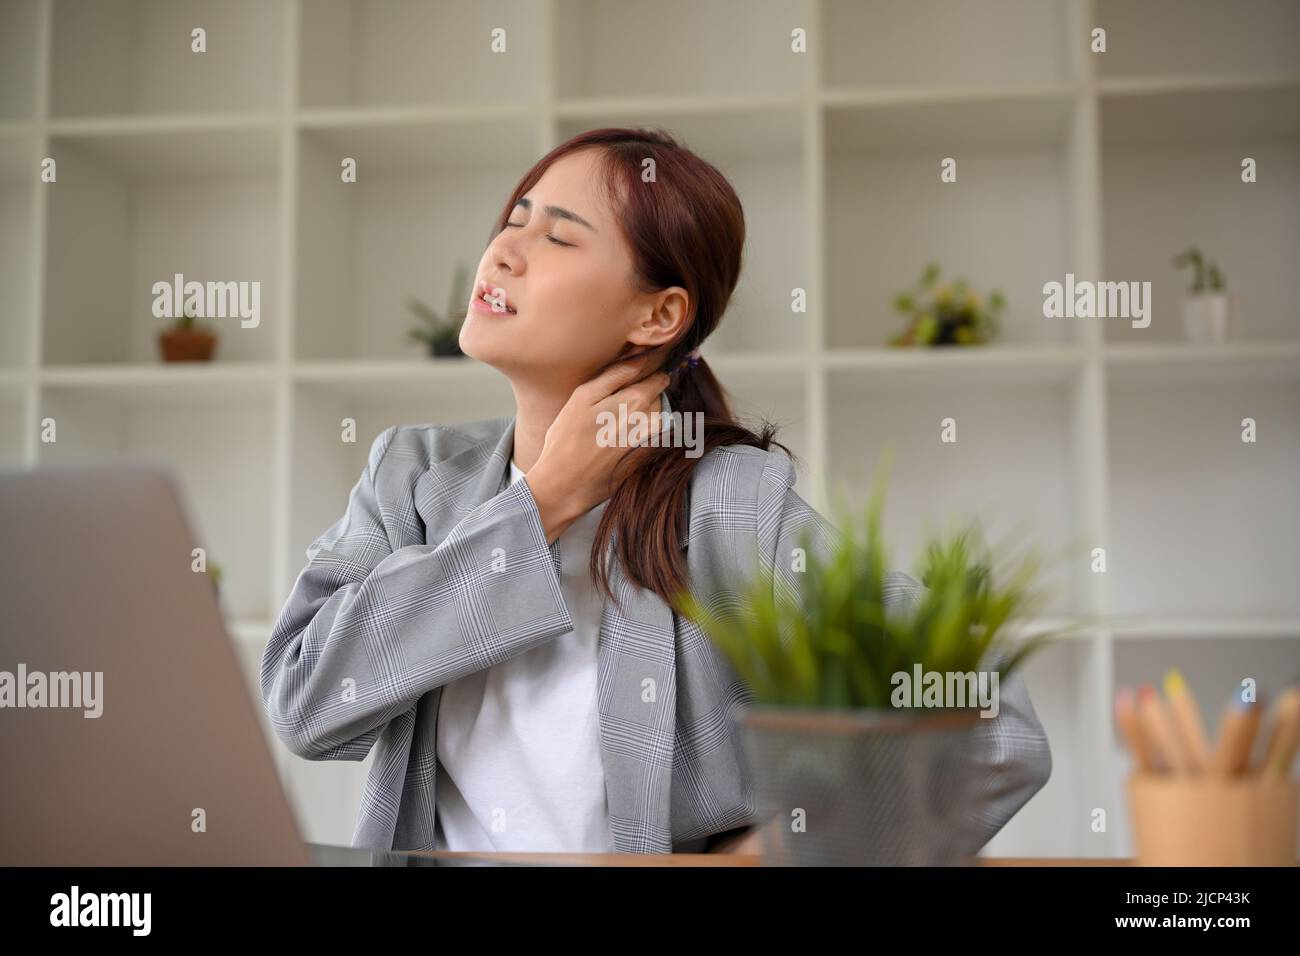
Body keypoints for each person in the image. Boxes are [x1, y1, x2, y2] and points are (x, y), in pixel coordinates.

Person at [261, 128, 1051, 856]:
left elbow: (991, 727)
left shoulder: (735, 508)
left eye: (558, 234)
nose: (504, 250)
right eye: (515, 218)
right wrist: (540, 506)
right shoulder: (413, 474)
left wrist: (769, 858)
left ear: (659, 314)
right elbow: (307, 708)